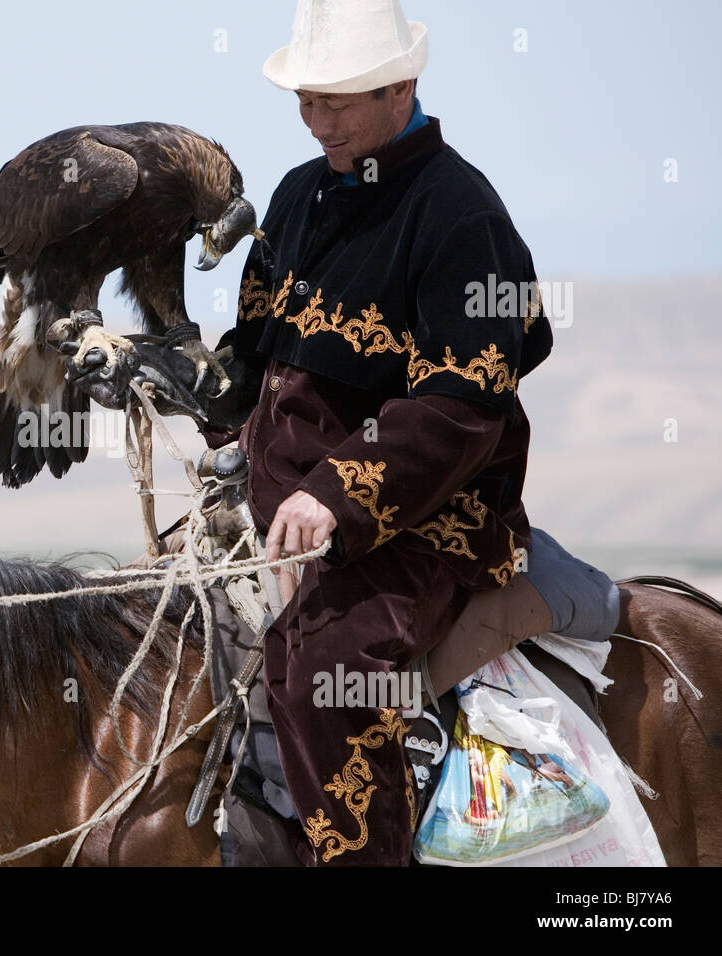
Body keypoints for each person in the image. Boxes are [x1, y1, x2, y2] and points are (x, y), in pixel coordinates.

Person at [213, 0, 558, 865]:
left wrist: (334, 497)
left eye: (337, 101)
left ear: (403, 84)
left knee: (323, 664)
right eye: (305, 99)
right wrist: (160, 375)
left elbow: (462, 407)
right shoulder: (297, 197)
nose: (315, 119)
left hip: (430, 523)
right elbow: (251, 360)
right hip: (281, 514)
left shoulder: (461, 215)